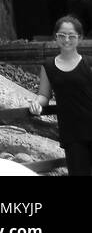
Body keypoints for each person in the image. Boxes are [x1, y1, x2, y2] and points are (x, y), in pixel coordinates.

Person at [29, 14, 92, 177]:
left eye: (71, 36)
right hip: (72, 133)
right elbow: (44, 94)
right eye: (62, 35)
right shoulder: (49, 66)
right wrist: (36, 104)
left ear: (80, 37)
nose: (66, 40)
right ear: (56, 37)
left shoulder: (89, 63)